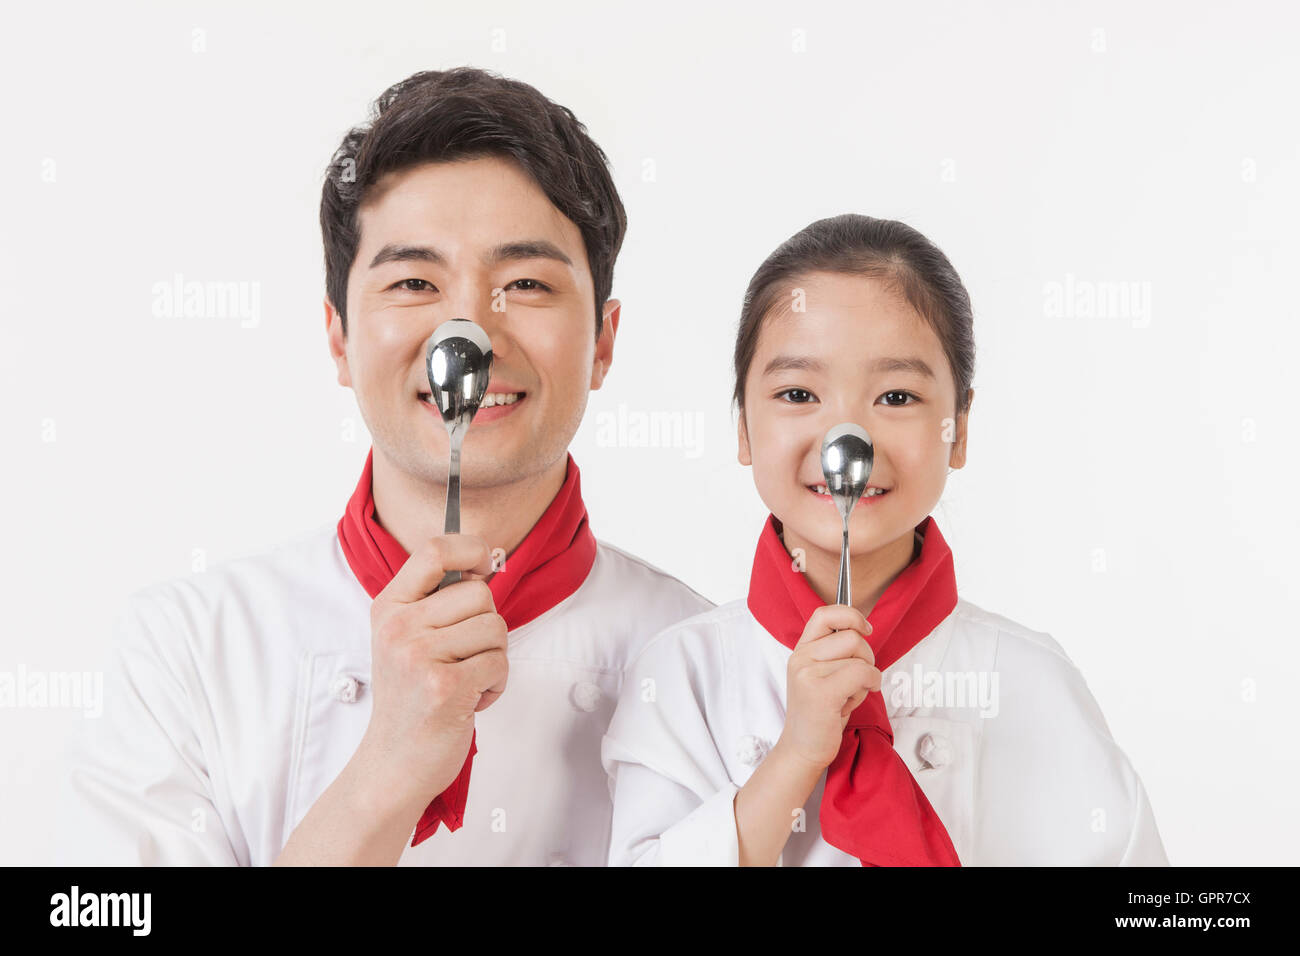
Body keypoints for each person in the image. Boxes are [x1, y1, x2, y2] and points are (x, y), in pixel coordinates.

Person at [52, 67, 711, 867]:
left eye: (525, 283)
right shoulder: (185, 651)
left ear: (603, 343)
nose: (468, 335)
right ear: (339, 338)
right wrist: (388, 766)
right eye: (414, 282)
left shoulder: (713, 660)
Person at [601, 213, 1169, 866]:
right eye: (798, 393)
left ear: (959, 429)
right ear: (743, 429)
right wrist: (797, 753)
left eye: (896, 397)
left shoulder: (1033, 680)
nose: (849, 437)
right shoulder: (681, 673)